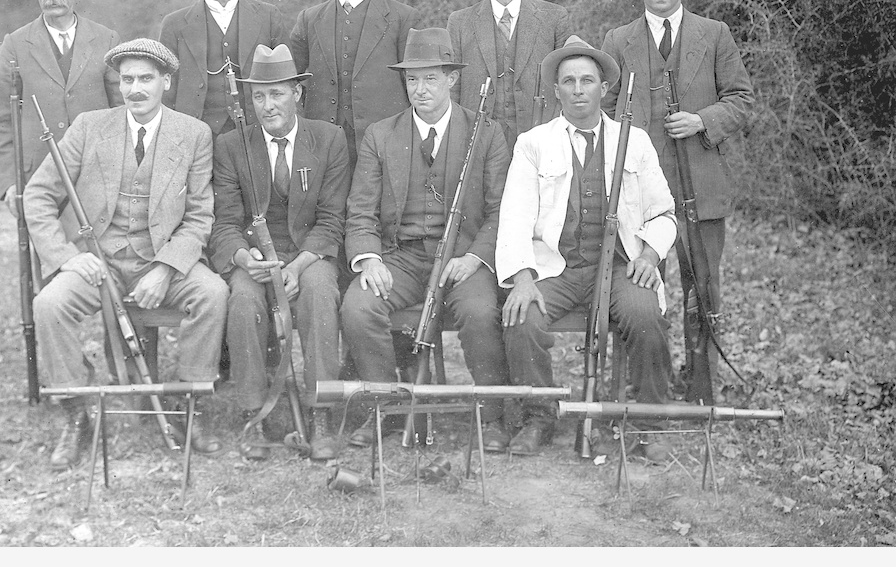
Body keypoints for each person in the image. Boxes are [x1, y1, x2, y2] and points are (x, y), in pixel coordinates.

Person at [23, 39, 229, 470]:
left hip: (161, 259)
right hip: (100, 262)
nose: (135, 89)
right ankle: (75, 412)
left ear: (166, 83)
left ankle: (190, 405)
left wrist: (167, 269)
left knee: (212, 294)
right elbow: (39, 194)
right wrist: (65, 257)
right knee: (49, 304)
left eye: (146, 79)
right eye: (127, 79)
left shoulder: (194, 135)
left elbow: (199, 217)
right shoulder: (88, 126)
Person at [496, 36, 677, 461]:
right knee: (521, 317)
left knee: (646, 316)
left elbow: (664, 213)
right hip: (556, 268)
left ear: (604, 88)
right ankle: (538, 417)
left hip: (619, 266)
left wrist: (649, 255)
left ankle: (648, 423)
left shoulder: (635, 142)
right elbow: (515, 218)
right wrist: (522, 277)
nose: (579, 90)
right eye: (569, 82)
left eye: (587, 81)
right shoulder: (533, 143)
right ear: (556, 90)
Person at [340, 27, 512, 451]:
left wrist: (475, 258)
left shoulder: (486, 132)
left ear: (452, 79)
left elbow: (501, 212)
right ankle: (387, 409)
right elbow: (360, 211)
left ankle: (493, 417)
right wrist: (369, 259)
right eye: (412, 79)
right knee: (358, 308)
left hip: (462, 259)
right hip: (399, 258)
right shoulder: (381, 135)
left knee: (478, 312)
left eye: (431, 78)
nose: (420, 89)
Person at [601, 0, 753, 397]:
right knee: (640, 291)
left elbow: (742, 100)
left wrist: (702, 120)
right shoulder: (617, 40)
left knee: (702, 291)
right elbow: (603, 109)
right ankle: (646, 388)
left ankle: (703, 389)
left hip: (700, 188)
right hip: (639, 196)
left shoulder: (714, 34)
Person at [210, 45, 351, 461]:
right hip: (254, 256)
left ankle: (321, 408)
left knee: (320, 293)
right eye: (258, 96)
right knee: (243, 301)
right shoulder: (232, 145)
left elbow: (331, 220)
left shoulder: (329, 140)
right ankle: (254, 411)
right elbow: (225, 223)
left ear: (297, 94)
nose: (268, 106)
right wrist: (242, 258)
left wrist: (302, 263)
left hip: (309, 254)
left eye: (277, 94)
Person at [0, 0, 120, 215]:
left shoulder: (106, 39)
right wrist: (10, 183)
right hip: (38, 180)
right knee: (47, 255)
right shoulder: (16, 44)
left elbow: (122, 111)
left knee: (96, 255)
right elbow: (0, 120)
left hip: (96, 174)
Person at [287, 0, 423, 167]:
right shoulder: (309, 19)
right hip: (322, 147)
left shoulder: (403, 18)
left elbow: (415, 87)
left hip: (383, 147)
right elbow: (294, 85)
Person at [447, 0, 572, 151]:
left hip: (541, 148)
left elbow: (567, 86)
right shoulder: (460, 23)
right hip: (478, 151)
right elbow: (452, 94)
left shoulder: (554, 18)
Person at [158, 0, 286, 139]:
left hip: (256, 136)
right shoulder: (175, 25)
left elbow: (286, 85)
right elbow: (166, 95)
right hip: (196, 138)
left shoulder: (268, 17)